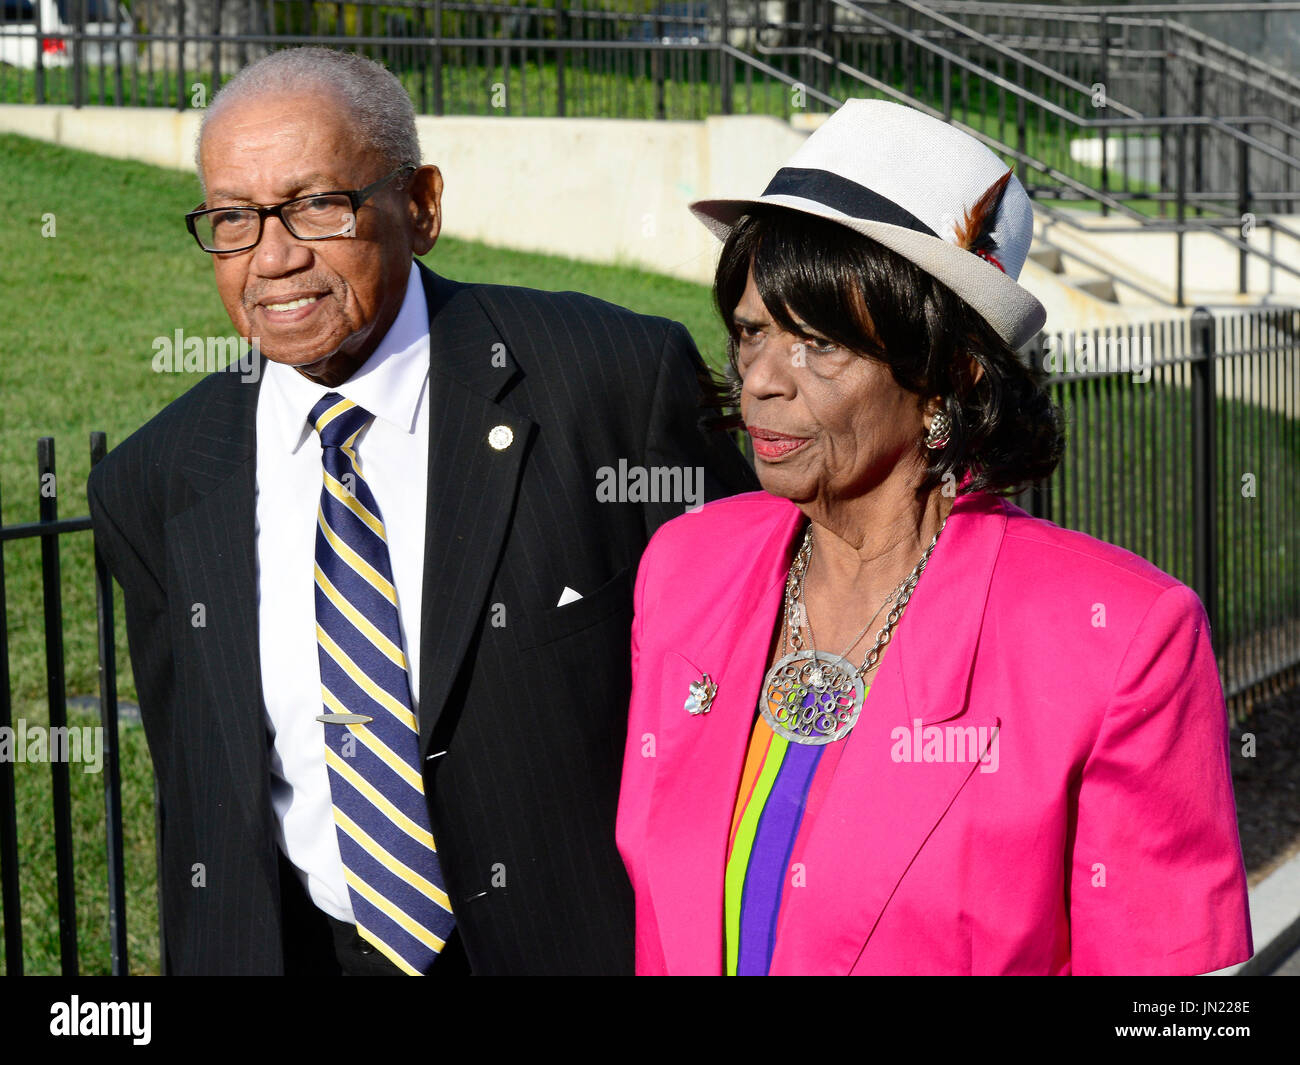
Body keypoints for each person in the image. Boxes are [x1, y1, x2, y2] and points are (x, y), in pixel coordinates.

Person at [86, 46, 757, 976]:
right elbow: (204, 796)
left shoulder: (610, 382)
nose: (273, 258)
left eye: (318, 204)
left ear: (423, 206)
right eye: (234, 218)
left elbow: (743, 700)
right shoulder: (156, 481)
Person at [615, 99, 1254, 975]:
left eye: (818, 344)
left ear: (947, 372)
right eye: (754, 331)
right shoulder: (688, 568)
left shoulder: (1120, 639)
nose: (761, 379)